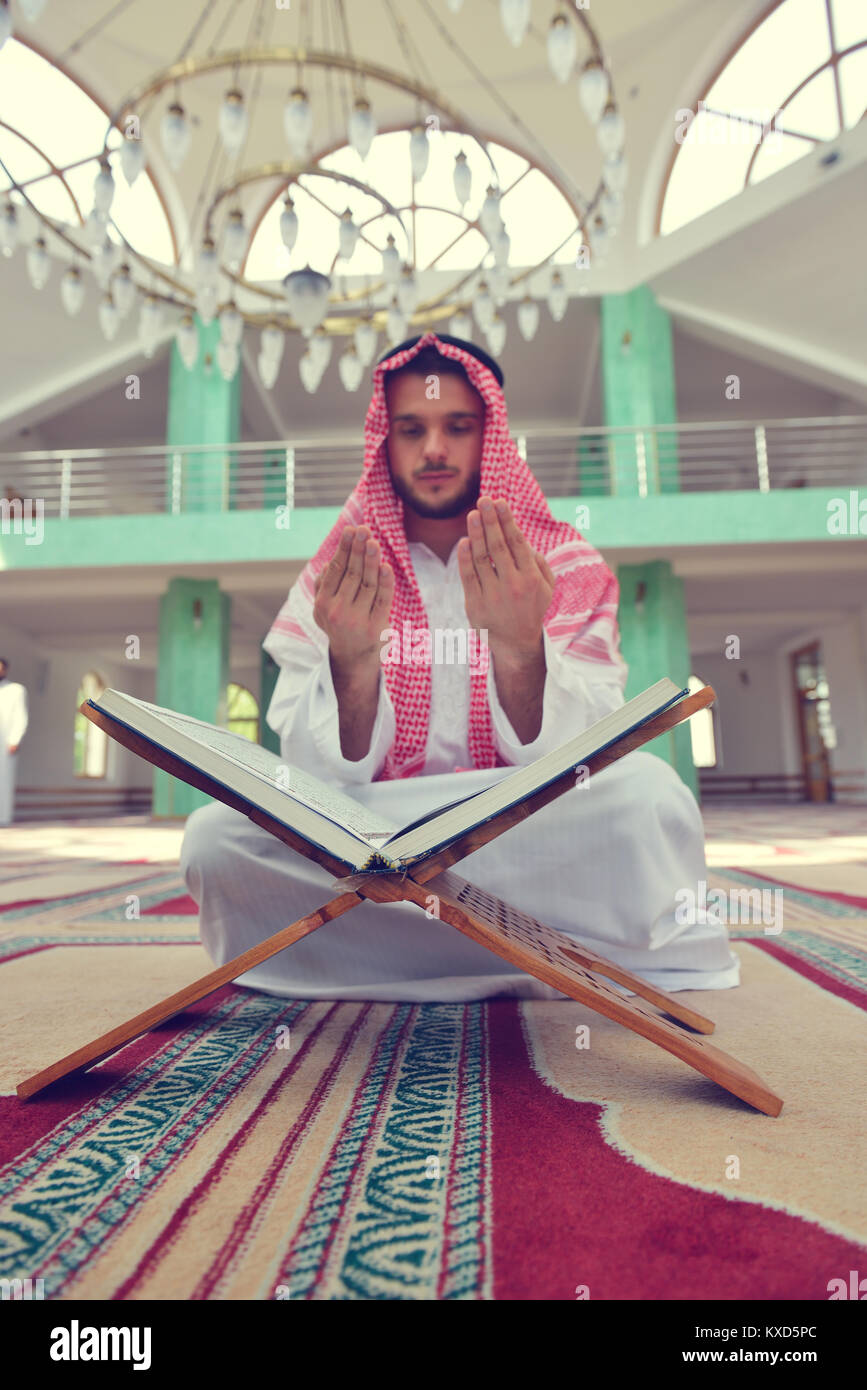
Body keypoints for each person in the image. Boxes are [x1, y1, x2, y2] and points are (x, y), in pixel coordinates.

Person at [181, 331, 739, 1001]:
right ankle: (523, 950)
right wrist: (350, 660)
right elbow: (316, 768)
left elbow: (584, 756)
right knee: (214, 836)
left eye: (458, 426)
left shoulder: (563, 568)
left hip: (523, 830)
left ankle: (374, 954)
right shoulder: (336, 578)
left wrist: (519, 645)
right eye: (410, 429)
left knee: (647, 798)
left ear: (491, 436)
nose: (435, 450)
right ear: (384, 443)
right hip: (376, 829)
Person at [0, 657, 28, 826]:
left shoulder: (16, 690)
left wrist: (15, 739)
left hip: (5, 744)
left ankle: (3, 817)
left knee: (3, 780)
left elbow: (20, 717)